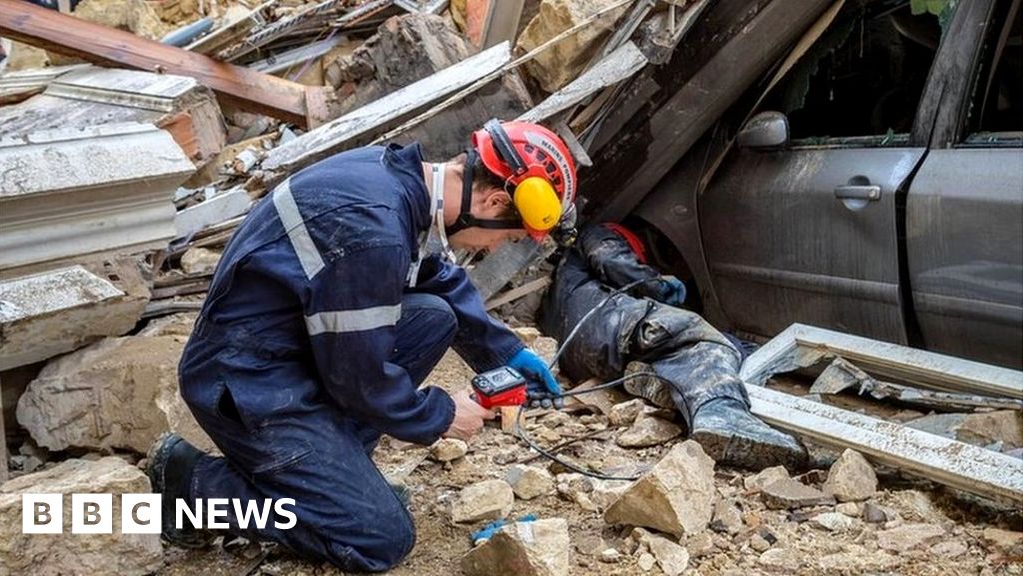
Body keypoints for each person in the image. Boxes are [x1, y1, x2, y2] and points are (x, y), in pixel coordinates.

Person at [147, 120, 578, 571]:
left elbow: (435, 276)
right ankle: (194, 488)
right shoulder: (372, 229)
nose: (493, 249)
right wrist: (444, 414)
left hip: (288, 352)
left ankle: (334, 476)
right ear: (493, 201)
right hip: (247, 382)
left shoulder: (394, 183)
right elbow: (360, 380)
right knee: (380, 539)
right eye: (506, 237)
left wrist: (506, 354)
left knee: (434, 317)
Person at [538, 223, 807, 471]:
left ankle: (661, 384)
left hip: (584, 355)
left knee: (676, 352)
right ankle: (722, 413)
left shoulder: (564, 284)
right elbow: (614, 261)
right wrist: (661, 286)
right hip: (609, 326)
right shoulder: (600, 232)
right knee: (696, 338)